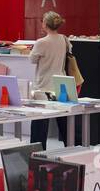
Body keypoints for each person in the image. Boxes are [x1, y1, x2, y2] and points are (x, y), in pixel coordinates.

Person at [29, 11, 70, 147]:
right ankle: (71, 149)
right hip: (60, 84)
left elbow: (32, 59)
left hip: (44, 86)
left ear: (45, 24)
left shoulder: (41, 42)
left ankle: (37, 152)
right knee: (63, 122)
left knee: (39, 123)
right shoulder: (64, 39)